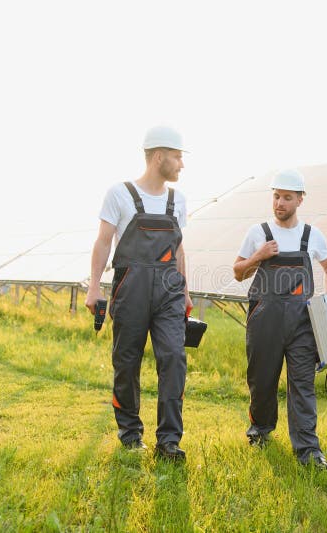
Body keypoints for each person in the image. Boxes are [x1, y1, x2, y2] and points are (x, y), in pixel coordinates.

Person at [85, 125, 193, 460]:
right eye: (177, 157)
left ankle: (169, 441)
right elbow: (103, 242)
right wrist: (94, 287)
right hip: (130, 288)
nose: (182, 164)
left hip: (169, 291)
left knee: (173, 359)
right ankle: (130, 434)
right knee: (127, 362)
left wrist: (186, 291)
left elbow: (179, 249)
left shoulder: (178, 200)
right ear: (159, 156)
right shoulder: (119, 194)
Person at [233, 168, 327, 470]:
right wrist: (259, 256)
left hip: (301, 324)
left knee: (302, 386)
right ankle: (260, 431)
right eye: (276, 196)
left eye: (287, 198)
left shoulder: (312, 236)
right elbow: (238, 273)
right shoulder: (258, 233)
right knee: (262, 382)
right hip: (264, 320)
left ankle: (309, 451)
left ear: (300, 200)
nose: (279, 203)